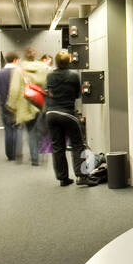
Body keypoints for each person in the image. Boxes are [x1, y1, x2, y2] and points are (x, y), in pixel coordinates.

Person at [44, 49, 88, 186]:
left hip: (51, 114)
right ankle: (82, 176)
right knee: (77, 145)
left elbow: (48, 92)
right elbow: (77, 95)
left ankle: (63, 179)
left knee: (57, 147)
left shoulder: (50, 76)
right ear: (69, 61)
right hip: (67, 113)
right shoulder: (74, 75)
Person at [13, 48, 49, 166]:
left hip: (26, 103)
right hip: (40, 102)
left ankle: (33, 157)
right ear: (35, 55)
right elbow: (48, 84)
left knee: (30, 131)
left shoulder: (19, 69)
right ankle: (39, 153)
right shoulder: (43, 68)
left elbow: (14, 89)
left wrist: (12, 105)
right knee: (40, 130)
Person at [0, 51, 23, 161]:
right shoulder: (20, 72)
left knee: (8, 129)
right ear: (15, 60)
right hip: (18, 105)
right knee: (17, 128)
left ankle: (10, 155)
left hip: (4, 105)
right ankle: (18, 153)